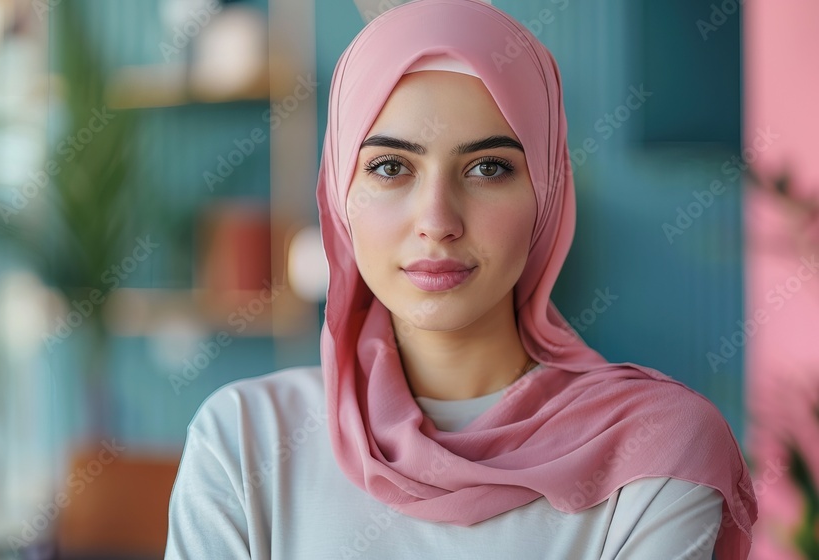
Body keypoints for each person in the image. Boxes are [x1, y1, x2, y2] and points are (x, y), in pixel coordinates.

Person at [165, 1, 757, 558]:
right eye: (391, 167)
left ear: (545, 196)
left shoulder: (660, 450)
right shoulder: (244, 440)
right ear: (340, 196)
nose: (437, 222)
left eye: (488, 167)